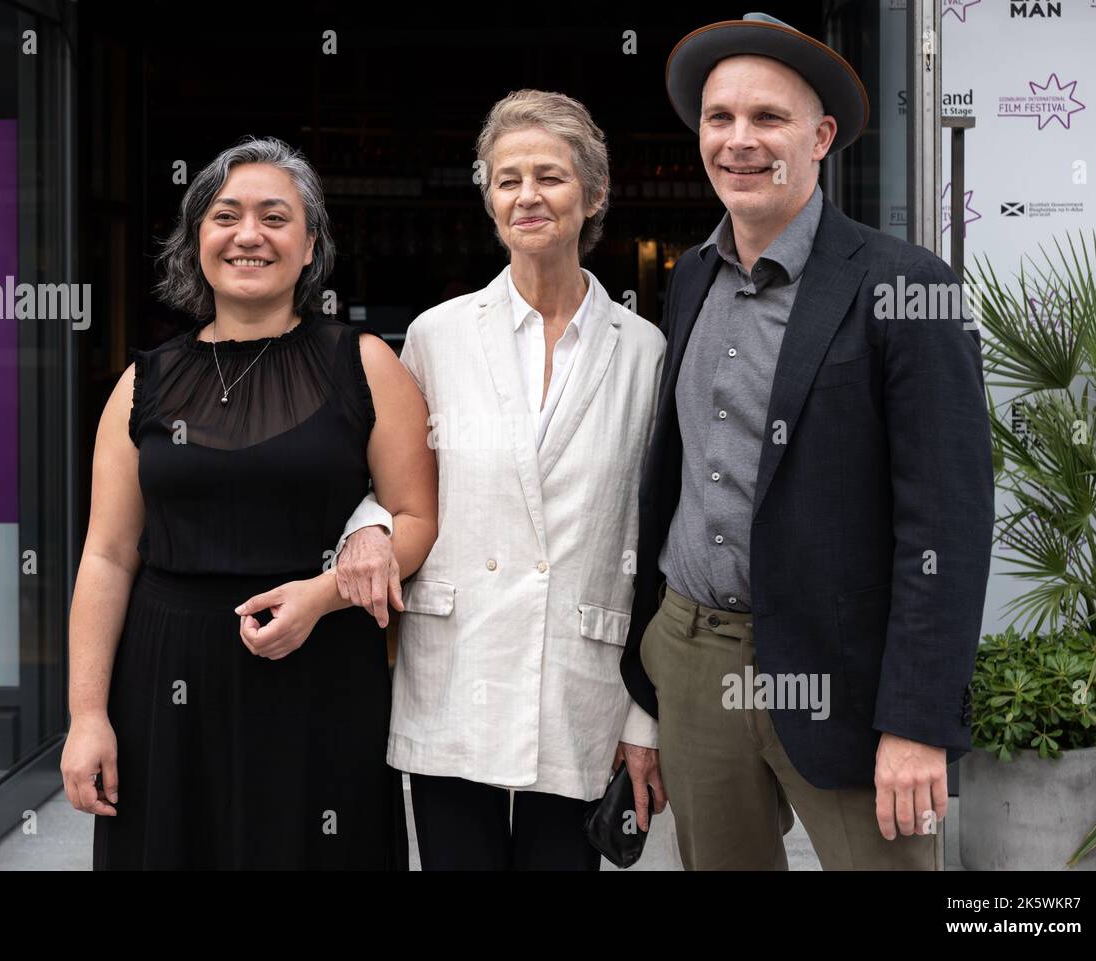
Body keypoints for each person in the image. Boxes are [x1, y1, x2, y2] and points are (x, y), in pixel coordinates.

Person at [621, 14, 995, 870]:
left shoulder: (908, 288)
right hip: (694, 659)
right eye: (720, 119)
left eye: (768, 118)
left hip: (850, 681)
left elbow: (947, 522)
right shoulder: (691, 277)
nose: (739, 141)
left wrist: (917, 719)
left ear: (821, 137)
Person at [60, 136, 437, 869]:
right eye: (225, 215)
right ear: (197, 239)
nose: (248, 235)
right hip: (167, 684)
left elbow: (417, 518)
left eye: (275, 217)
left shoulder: (366, 365)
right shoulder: (144, 383)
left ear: (309, 246)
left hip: (323, 672)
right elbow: (106, 557)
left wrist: (326, 595)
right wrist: (86, 716)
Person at [348, 90, 668, 871]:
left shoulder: (646, 349)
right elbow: (394, 479)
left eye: (550, 177)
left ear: (592, 195)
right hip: (459, 663)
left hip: (581, 671)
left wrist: (644, 718)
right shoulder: (437, 333)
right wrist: (367, 526)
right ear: (489, 200)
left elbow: (655, 536)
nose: (528, 196)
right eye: (506, 178)